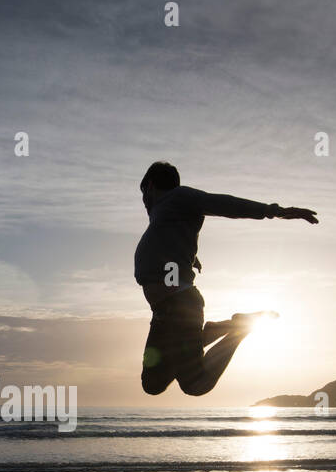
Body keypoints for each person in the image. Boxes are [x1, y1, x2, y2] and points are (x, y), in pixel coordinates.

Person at [134, 161, 318, 396]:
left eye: (143, 194)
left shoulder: (178, 198)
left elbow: (224, 204)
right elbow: (173, 241)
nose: (144, 203)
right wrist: (190, 257)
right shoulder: (165, 217)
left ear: (149, 186)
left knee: (195, 384)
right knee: (152, 384)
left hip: (180, 305)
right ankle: (211, 331)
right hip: (162, 312)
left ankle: (240, 329)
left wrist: (274, 211)